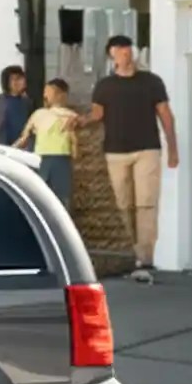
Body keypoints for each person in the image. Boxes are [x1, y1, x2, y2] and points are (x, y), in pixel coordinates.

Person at [67, 35, 179, 284]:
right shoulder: (105, 85)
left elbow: (166, 115)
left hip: (147, 149)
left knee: (146, 204)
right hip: (115, 151)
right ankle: (129, 255)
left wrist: (173, 148)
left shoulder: (151, 82)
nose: (126, 55)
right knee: (122, 204)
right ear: (112, 55)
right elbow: (97, 114)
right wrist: (80, 120)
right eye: (120, 51)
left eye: (129, 50)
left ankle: (145, 257)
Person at [14, 78, 78, 211]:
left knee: (62, 199)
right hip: (40, 159)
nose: (45, 96)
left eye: (49, 92)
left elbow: (74, 138)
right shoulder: (38, 114)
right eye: (45, 92)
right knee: (40, 196)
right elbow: (24, 137)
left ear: (61, 95)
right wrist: (10, 151)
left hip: (61, 159)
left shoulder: (70, 116)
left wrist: (75, 152)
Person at [0, 65, 32, 148]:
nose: (21, 82)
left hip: (25, 145)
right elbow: (0, 127)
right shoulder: (3, 100)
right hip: (8, 147)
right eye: (16, 79)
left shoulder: (26, 101)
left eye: (21, 78)